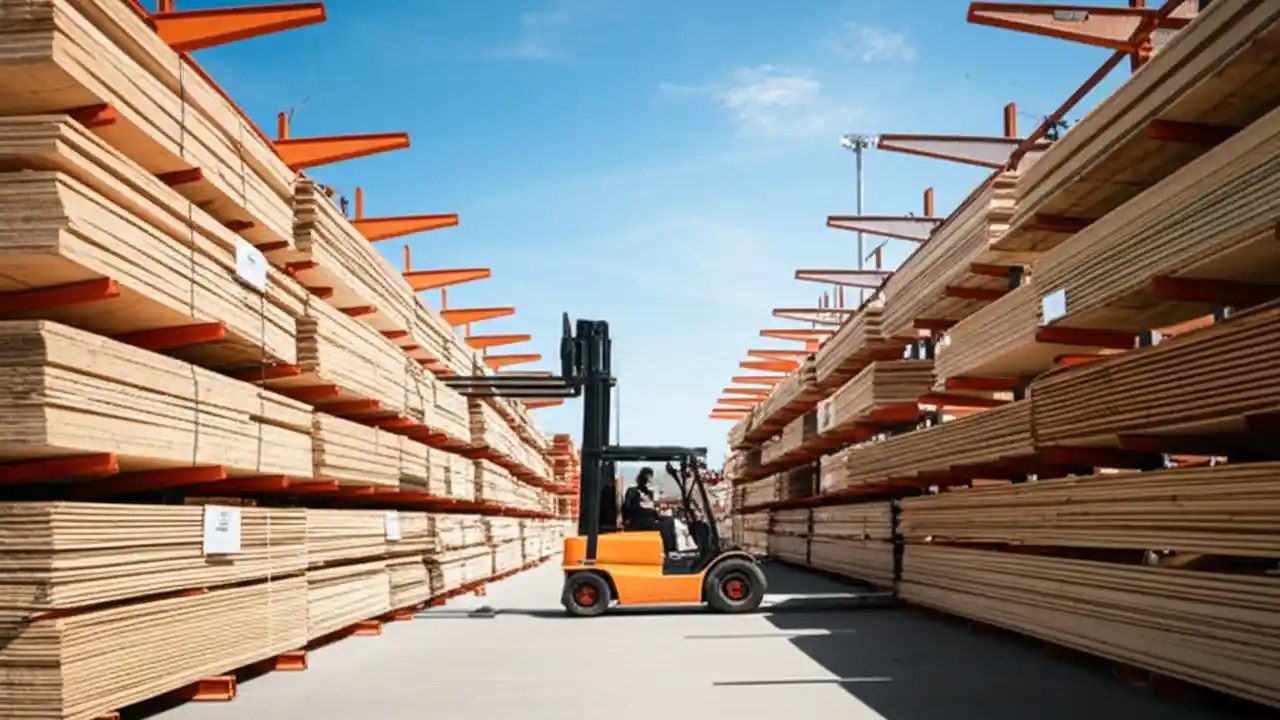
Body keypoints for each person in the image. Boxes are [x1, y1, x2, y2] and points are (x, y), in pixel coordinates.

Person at [621, 467, 678, 552]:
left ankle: (673, 550)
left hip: (648, 518)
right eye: (649, 477)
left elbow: (653, 507)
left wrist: (657, 512)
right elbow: (629, 508)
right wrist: (647, 509)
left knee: (670, 521)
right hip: (637, 520)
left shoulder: (649, 493)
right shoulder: (632, 491)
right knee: (663, 527)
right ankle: (668, 550)